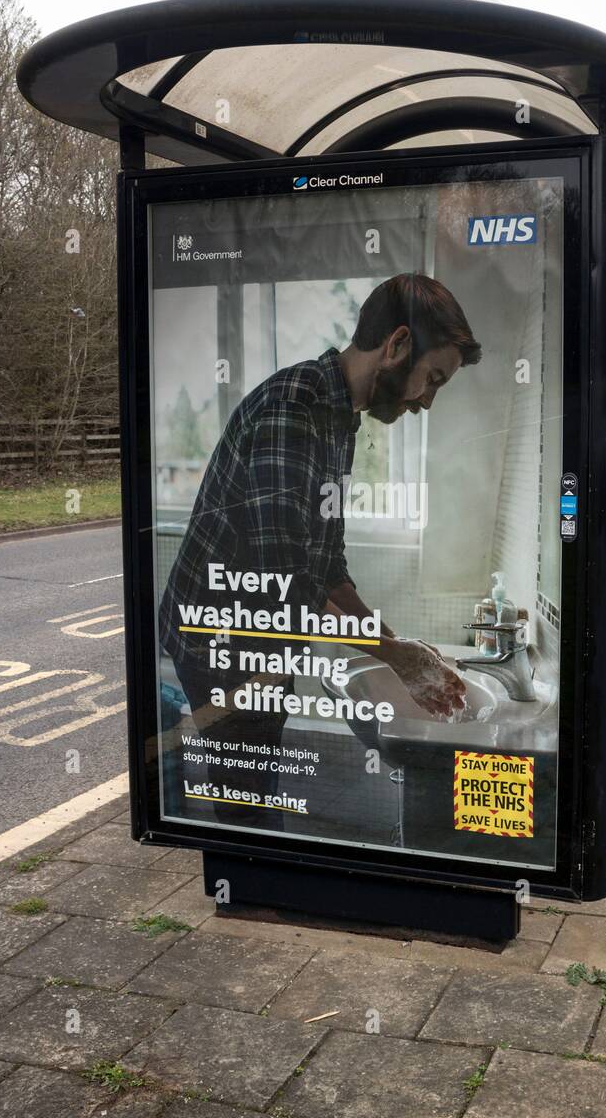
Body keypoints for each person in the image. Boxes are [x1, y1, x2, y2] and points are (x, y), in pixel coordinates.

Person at [159, 272, 482, 826]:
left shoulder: (339, 418)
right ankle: (247, 890)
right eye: (432, 379)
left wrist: (394, 644)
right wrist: (394, 655)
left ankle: (257, 873)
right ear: (396, 344)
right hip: (217, 635)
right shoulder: (294, 410)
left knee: (257, 764)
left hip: (259, 628)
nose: (427, 400)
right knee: (247, 788)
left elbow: (325, 566)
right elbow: (284, 582)